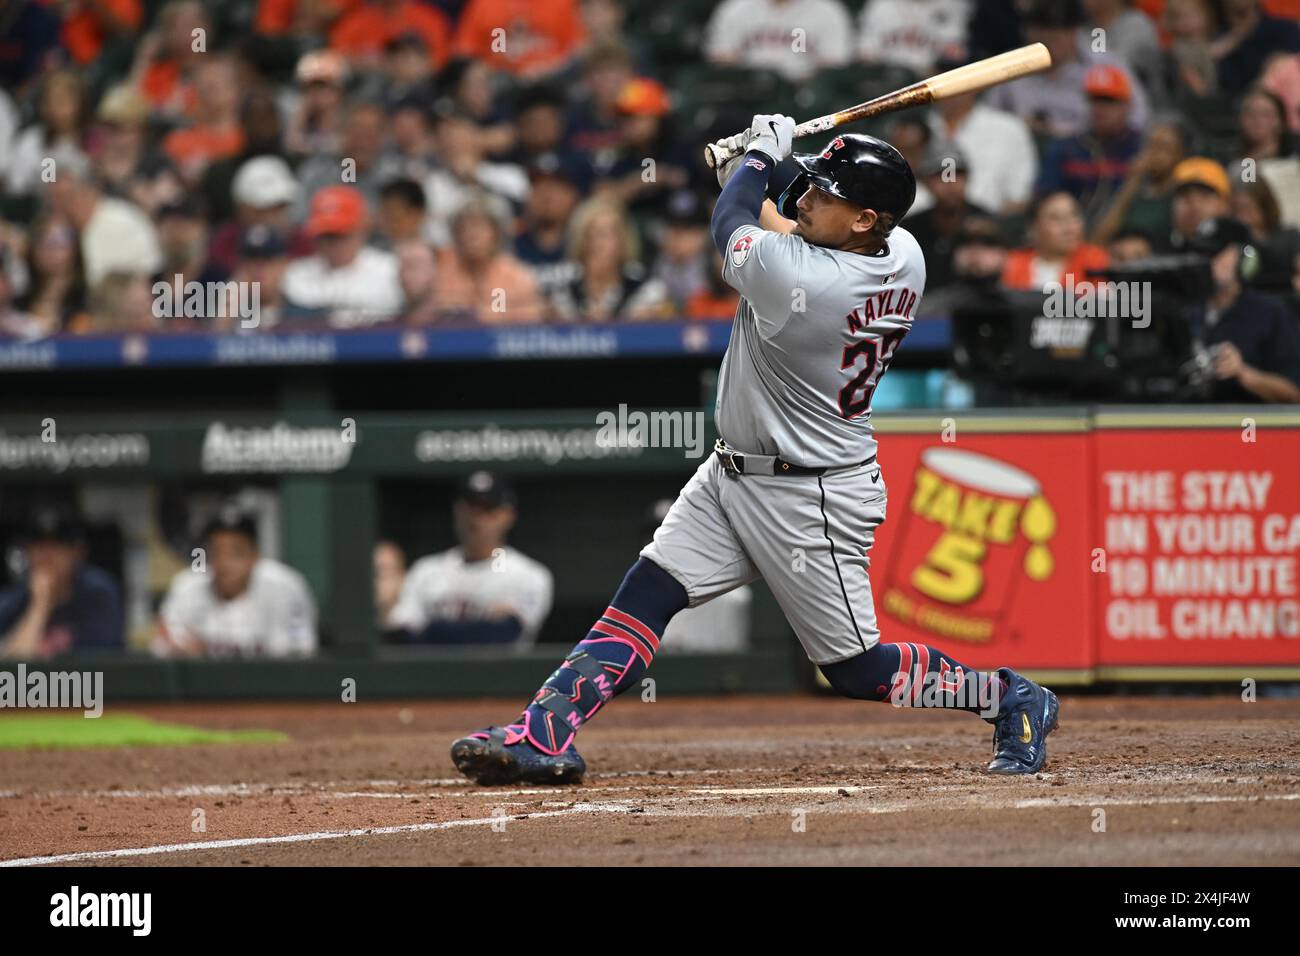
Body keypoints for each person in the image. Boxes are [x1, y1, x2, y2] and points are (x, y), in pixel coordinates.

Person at [450, 118, 1060, 786]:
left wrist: (755, 163)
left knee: (858, 670)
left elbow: (733, 225)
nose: (804, 201)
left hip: (812, 495)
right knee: (648, 591)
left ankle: (1011, 698)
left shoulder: (808, 285)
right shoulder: (901, 250)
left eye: (822, 194)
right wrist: (764, 166)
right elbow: (789, 213)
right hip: (734, 470)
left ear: (863, 219)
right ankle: (544, 730)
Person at [388, 472, 554, 646]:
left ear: (508, 515)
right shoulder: (425, 570)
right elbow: (400, 635)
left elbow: (503, 633)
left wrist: (434, 630)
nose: (476, 518)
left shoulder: (529, 574)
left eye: (487, 509)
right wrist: (480, 624)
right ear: (456, 510)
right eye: (470, 507)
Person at [154, 507, 318, 658]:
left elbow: (300, 649)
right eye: (216, 552)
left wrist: (206, 649)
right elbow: (163, 646)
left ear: (255, 556)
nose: (224, 563)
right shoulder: (188, 587)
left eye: (236, 553)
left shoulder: (285, 587)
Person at [1188, 216, 1300, 403]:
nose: (1206, 262)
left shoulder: (1270, 313)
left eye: (1215, 254)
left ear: (1245, 258)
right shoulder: (1182, 308)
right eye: (1200, 254)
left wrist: (1243, 373)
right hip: (1179, 425)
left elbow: (1295, 394)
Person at [0, 505, 123, 659]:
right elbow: (12, 672)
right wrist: (39, 606)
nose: (47, 555)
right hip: (33, 683)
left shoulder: (98, 593)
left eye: (57, 547)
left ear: (77, 552)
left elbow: (97, 669)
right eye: (39, 546)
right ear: (27, 552)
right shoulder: (14, 598)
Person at [1036, 64, 1142, 226]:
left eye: (1108, 101)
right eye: (1095, 100)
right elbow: (1046, 198)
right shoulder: (1065, 148)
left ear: (1127, 106)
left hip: (1126, 232)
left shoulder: (1141, 147)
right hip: (1070, 232)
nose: (1100, 109)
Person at [281, 185, 403, 326]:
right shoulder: (295, 274)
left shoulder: (391, 270)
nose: (333, 244)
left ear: (362, 229)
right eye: (326, 236)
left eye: (341, 235)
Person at [705, 0, 853, 82]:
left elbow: (834, 64)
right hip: (746, 88)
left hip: (800, 90)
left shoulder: (828, 10)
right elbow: (720, 57)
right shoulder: (736, 7)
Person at [1001, 191, 1110, 291]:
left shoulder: (1095, 261)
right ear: (1034, 228)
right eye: (1056, 219)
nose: (1069, 228)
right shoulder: (1014, 263)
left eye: (1074, 216)